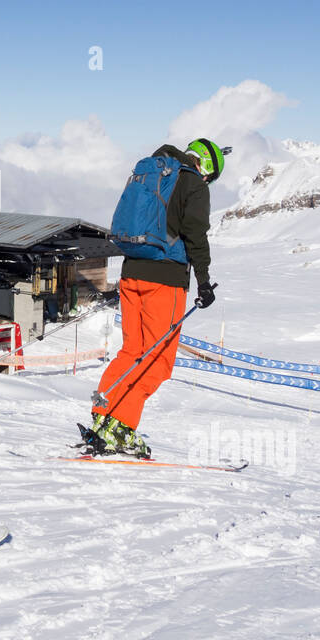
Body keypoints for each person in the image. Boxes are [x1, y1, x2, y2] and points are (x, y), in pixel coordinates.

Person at [82, 139, 224, 458]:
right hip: (165, 280)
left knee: (132, 350)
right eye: (211, 176)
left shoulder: (150, 172)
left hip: (131, 272)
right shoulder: (193, 184)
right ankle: (121, 427)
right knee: (158, 360)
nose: (208, 181)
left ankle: (103, 414)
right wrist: (203, 281)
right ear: (207, 166)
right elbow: (196, 235)